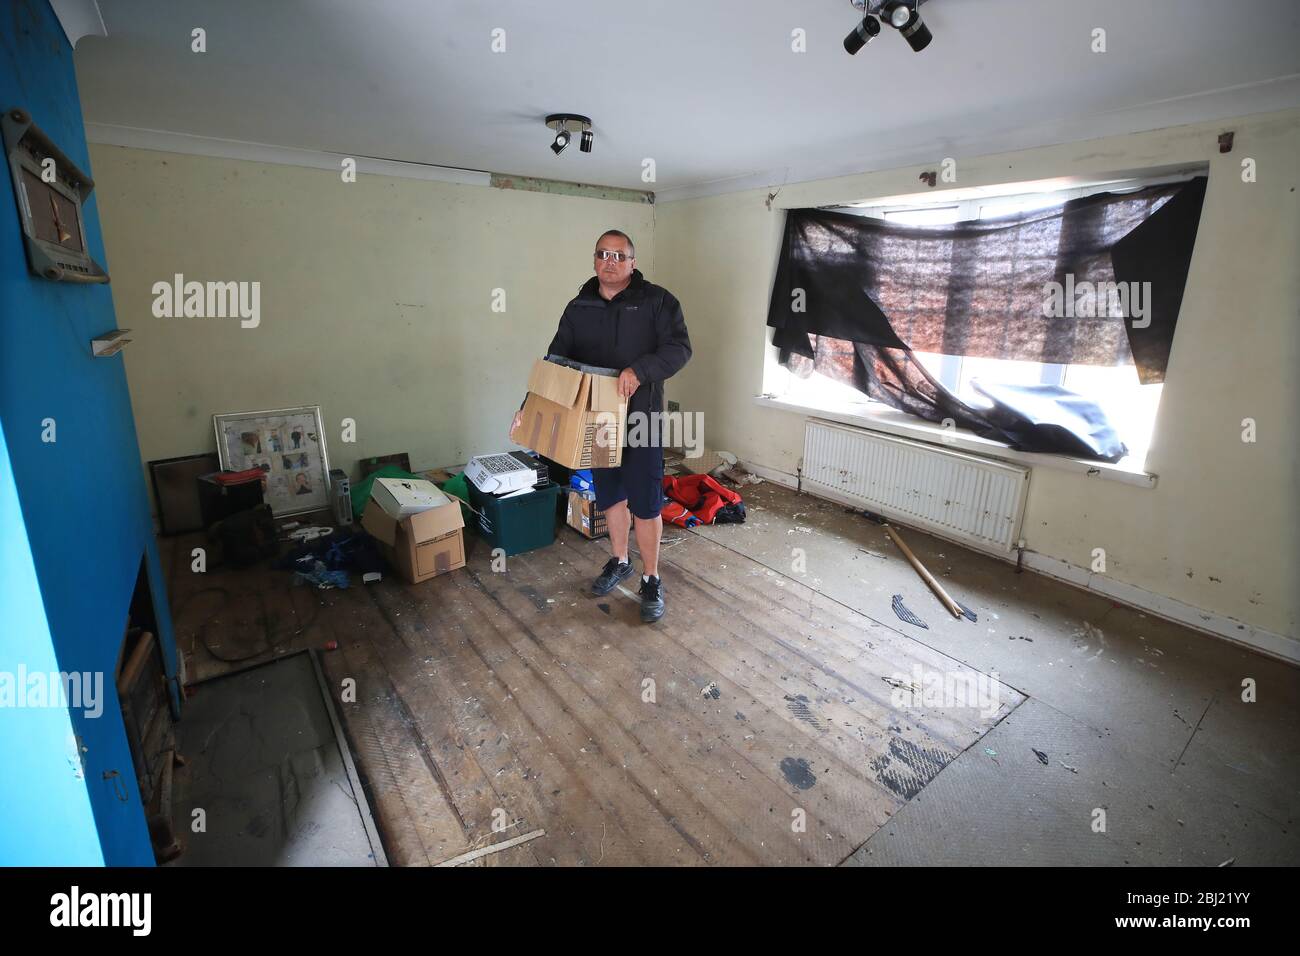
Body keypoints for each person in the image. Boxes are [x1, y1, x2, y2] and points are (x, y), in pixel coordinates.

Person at [514, 230, 691, 622]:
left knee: (645, 502)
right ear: (594, 260)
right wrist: (529, 406)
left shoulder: (658, 301)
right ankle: (619, 559)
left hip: (641, 417)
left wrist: (639, 370)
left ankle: (650, 578)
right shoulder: (579, 307)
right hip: (596, 419)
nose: (610, 261)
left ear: (632, 261)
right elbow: (556, 361)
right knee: (610, 495)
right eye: (602, 254)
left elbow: (679, 349)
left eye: (619, 255)